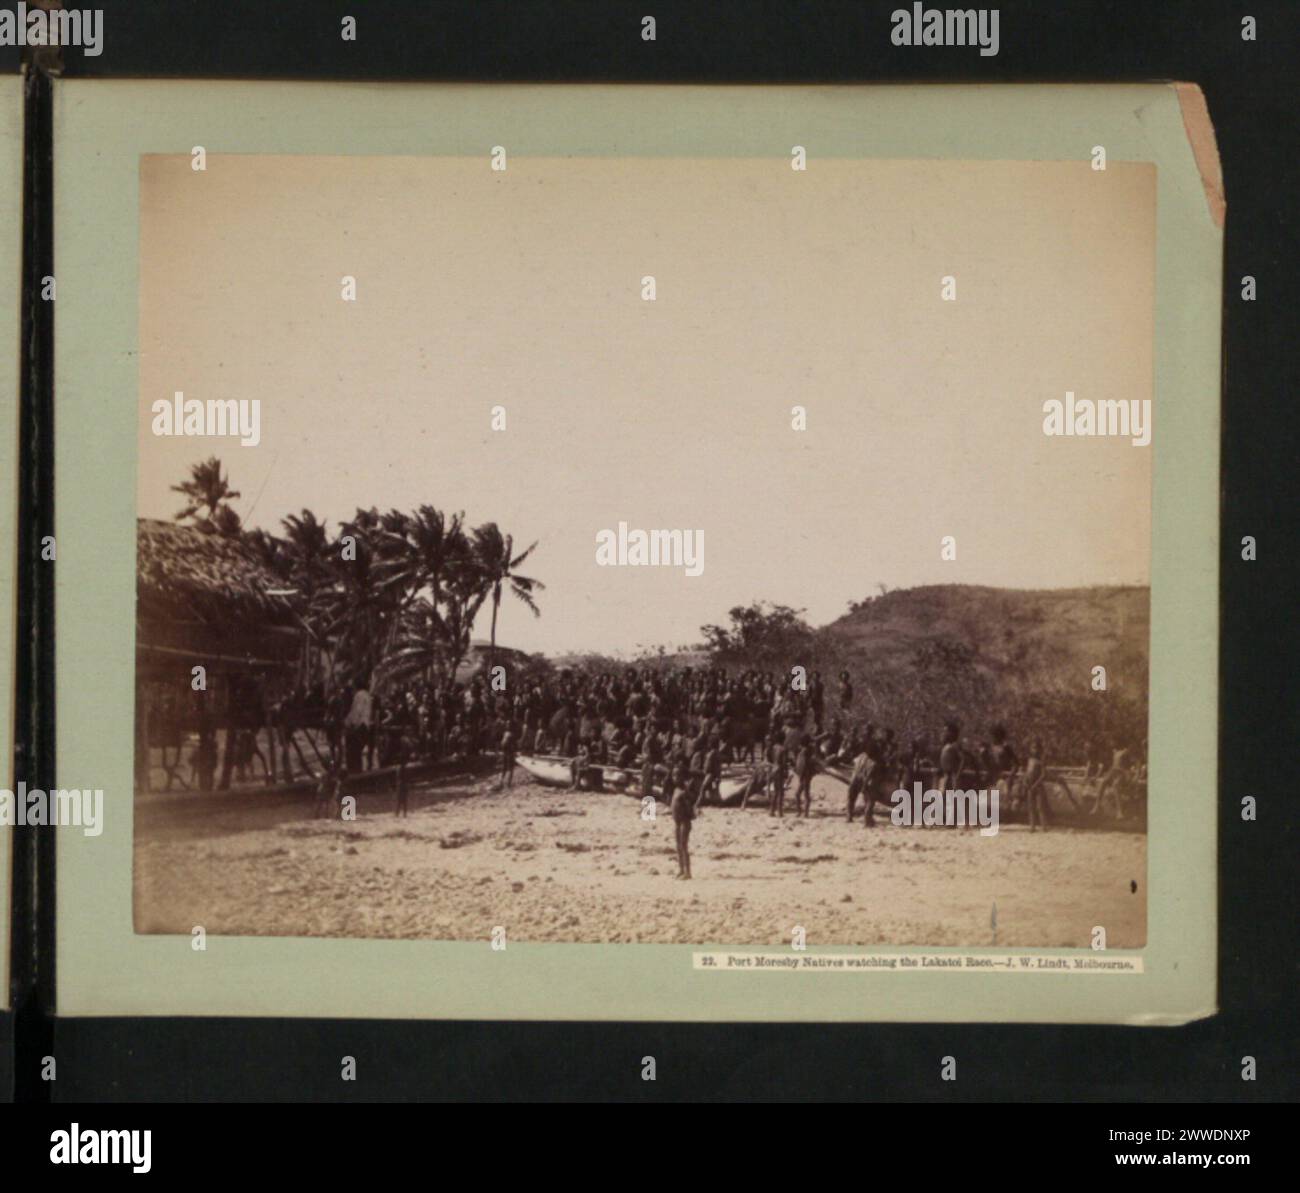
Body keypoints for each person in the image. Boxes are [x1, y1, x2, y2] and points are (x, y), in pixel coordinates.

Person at [670, 761, 699, 880]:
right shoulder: (676, 790)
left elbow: (690, 809)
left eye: (677, 775)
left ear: (683, 777)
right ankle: (681, 869)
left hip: (684, 822)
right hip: (677, 822)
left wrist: (688, 814)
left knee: (684, 846)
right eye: (673, 775)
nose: (675, 778)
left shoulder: (684, 792)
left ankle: (688, 872)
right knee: (678, 846)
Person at [1023, 737, 1047, 831]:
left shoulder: (1041, 760)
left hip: (1038, 785)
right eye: (1033, 748)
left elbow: (1043, 774)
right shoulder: (1029, 760)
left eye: (1036, 748)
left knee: (1040, 807)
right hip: (1029, 785)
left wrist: (1035, 785)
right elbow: (1027, 772)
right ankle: (1032, 826)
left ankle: (1044, 826)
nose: (1034, 750)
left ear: (1040, 749)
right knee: (1030, 806)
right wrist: (1025, 781)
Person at [498, 724, 517, 790]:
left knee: (504, 768)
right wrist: (514, 752)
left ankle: (500, 782)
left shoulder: (505, 733)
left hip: (504, 752)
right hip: (509, 752)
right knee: (510, 769)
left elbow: (502, 743)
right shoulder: (512, 735)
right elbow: (513, 745)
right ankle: (508, 784)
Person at [395, 753, 410, 818]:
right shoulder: (404, 769)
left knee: (399, 800)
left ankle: (398, 813)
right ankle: (404, 813)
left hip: (400, 784)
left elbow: (398, 778)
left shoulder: (399, 768)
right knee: (404, 800)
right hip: (403, 784)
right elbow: (405, 778)